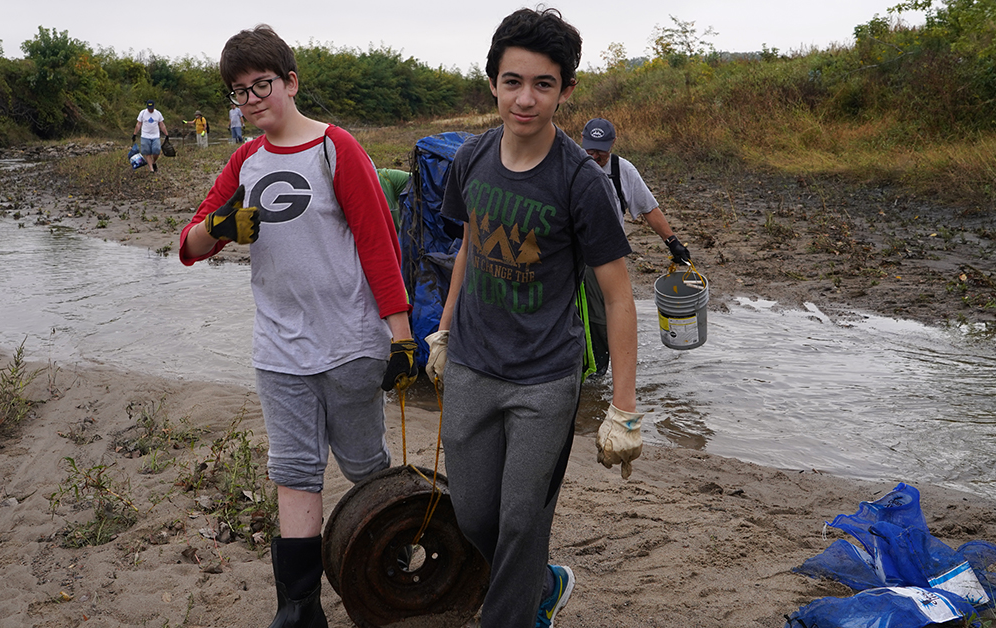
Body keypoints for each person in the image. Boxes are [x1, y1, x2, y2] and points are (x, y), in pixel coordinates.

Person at [177, 24, 417, 628]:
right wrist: (219, 227)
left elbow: (379, 247)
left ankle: (393, 571)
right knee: (293, 473)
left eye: (262, 84)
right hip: (279, 351)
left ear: (290, 82)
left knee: (364, 464)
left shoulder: (336, 148)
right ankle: (299, 607)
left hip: (350, 345)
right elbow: (189, 245)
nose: (252, 99)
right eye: (239, 91)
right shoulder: (245, 160)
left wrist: (402, 338)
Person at [423, 8, 644, 628]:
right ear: (492, 83)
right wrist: (444, 329)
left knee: (522, 519)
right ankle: (544, 584)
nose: (525, 99)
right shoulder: (471, 159)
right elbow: (470, 245)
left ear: (565, 90)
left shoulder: (582, 182)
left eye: (543, 84)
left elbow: (619, 297)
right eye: (513, 81)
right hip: (471, 363)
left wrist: (624, 408)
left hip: (545, 378)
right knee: (474, 516)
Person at [580, 117, 691, 377]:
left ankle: (597, 376)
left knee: (603, 317)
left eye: (600, 150)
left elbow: (648, 208)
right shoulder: (572, 165)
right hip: (573, 252)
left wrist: (672, 242)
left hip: (607, 254)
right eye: (590, 149)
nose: (594, 155)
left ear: (613, 144)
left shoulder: (623, 170)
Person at [135, 100, 168, 172]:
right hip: (145, 136)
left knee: (157, 150)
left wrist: (166, 134)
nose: (150, 110)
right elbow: (139, 124)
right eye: (149, 108)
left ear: (154, 106)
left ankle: (154, 162)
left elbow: (161, 124)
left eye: (152, 108)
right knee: (147, 153)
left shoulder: (158, 113)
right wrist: (135, 134)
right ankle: (151, 169)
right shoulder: (142, 113)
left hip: (155, 136)